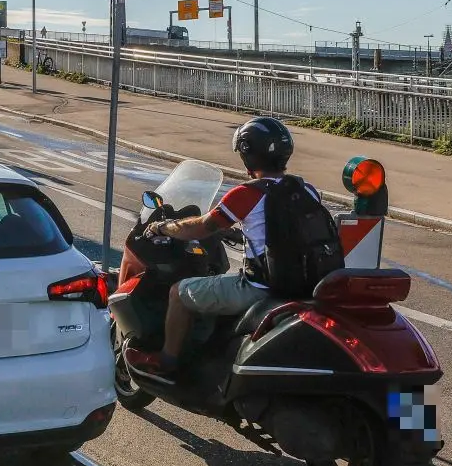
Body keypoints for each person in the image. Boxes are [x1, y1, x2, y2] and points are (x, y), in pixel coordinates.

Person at [124, 116, 323, 378]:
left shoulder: (247, 193)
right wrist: (235, 231)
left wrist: (163, 227)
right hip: (304, 284)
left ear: (247, 154)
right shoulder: (306, 189)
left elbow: (200, 227)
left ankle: (167, 359)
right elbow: (279, 229)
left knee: (179, 292)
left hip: (259, 287)